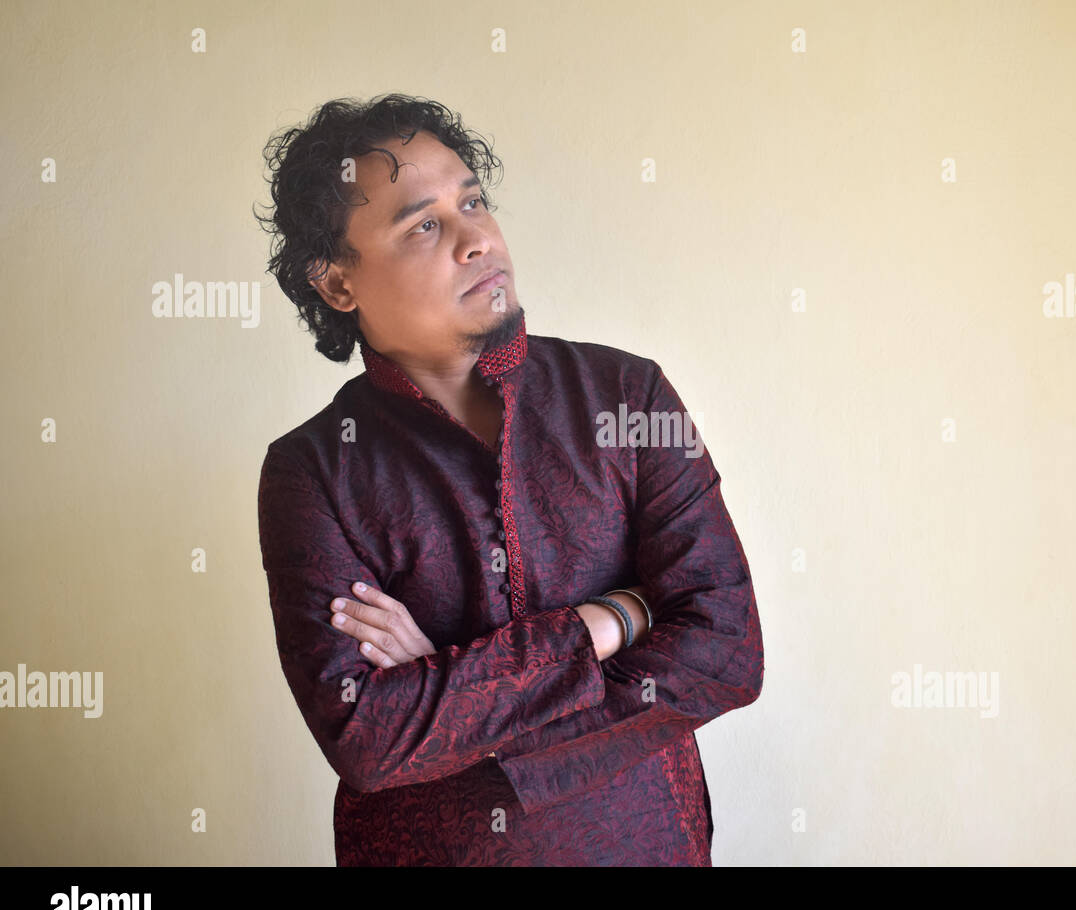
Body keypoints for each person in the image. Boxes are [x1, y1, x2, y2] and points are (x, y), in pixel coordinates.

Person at [254, 93, 763, 865]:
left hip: (645, 843)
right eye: (424, 224)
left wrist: (446, 689)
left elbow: (725, 651)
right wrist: (609, 623)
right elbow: (366, 737)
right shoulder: (313, 471)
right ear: (336, 284)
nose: (476, 238)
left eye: (473, 201)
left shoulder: (627, 396)